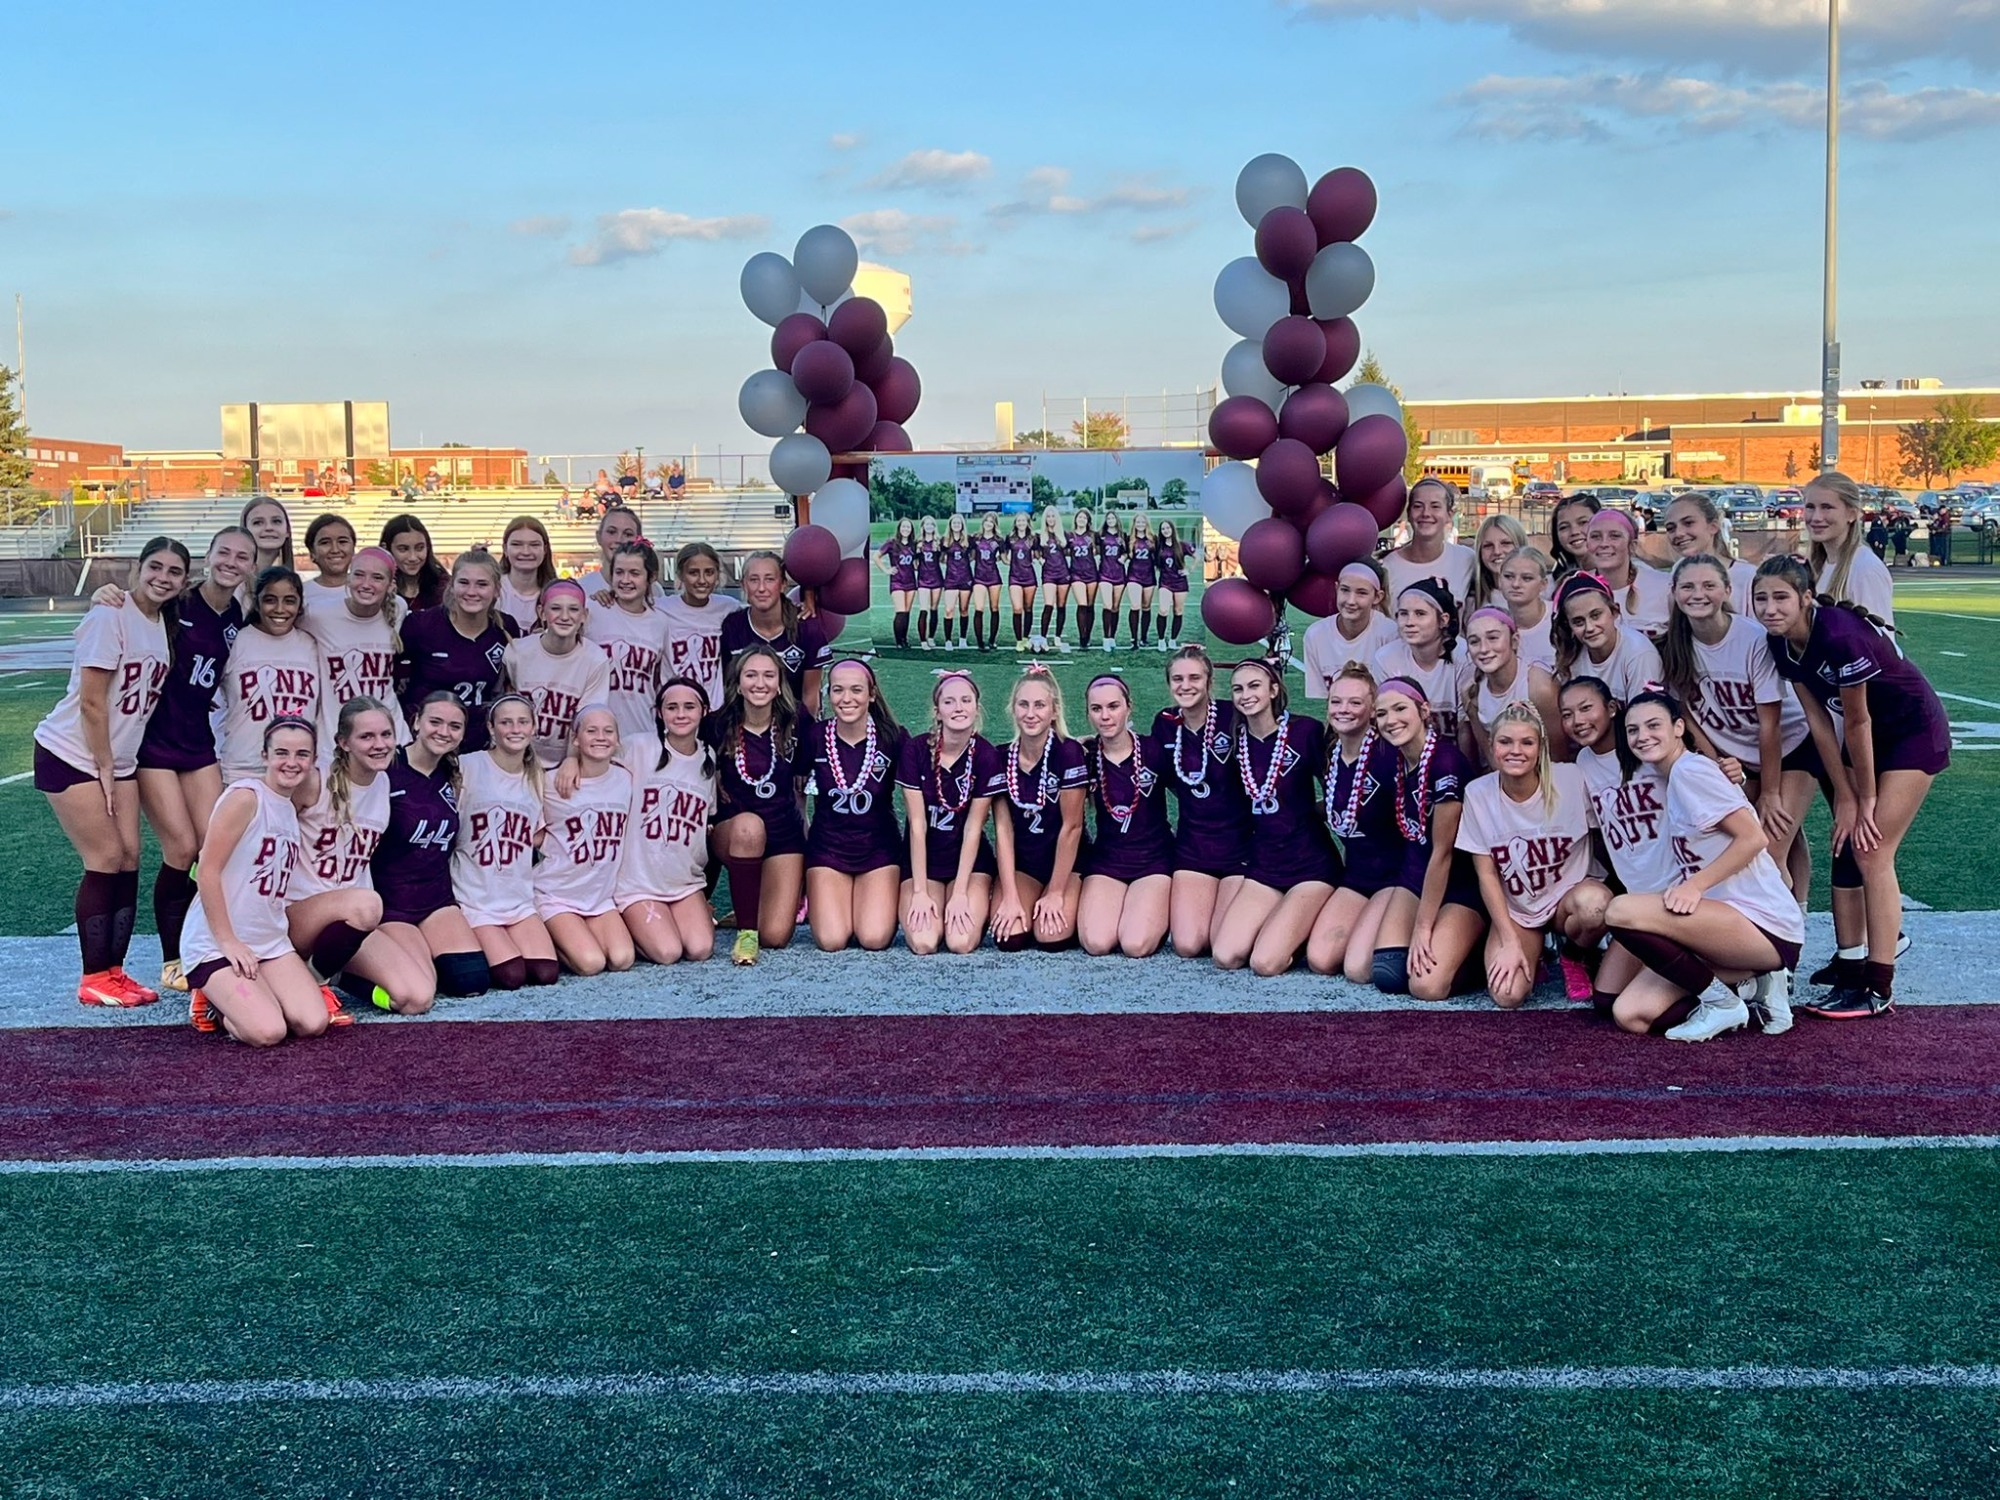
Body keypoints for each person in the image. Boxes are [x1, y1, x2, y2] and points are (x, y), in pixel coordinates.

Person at [1757, 555, 1947, 1018]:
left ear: (1805, 598)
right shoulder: (1780, 643)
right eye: (1760, 598)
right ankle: (1850, 964)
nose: (1769, 607)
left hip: (1910, 734)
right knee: (1844, 843)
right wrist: (1841, 793)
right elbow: (1821, 723)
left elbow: (1858, 721)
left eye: (1780, 597)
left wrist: (1864, 799)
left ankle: (1879, 984)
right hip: (1866, 739)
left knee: (1872, 848)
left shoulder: (1839, 634)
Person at [1601, 690, 1807, 1042]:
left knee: (1620, 909)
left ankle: (1722, 1003)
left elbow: (1753, 838)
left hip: (1762, 924)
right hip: (1718, 924)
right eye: (1632, 730)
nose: (1642, 736)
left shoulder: (1690, 772)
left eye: (1653, 725)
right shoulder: (1679, 774)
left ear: (1679, 727)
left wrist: (1694, 885)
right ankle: (1750, 988)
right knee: (1628, 1013)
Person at [35, 536, 186, 1006]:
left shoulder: (162, 621)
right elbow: (93, 701)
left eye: (174, 571)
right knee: (104, 858)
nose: (163, 577)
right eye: (155, 567)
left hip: (120, 760)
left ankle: (114, 972)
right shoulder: (109, 614)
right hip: (73, 753)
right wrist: (103, 764)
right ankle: (93, 976)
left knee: (129, 859)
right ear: (137, 569)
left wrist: (116, 764)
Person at [1659, 552, 1815, 930]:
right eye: (1689, 586)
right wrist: (1714, 762)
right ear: (1674, 592)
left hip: (1790, 747)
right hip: (1736, 754)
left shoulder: (1752, 638)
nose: (1699, 594)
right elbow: (1689, 713)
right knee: (1778, 840)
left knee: (1770, 845)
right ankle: (1790, 920)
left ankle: (1783, 941)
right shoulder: (1673, 644)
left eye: (1709, 585)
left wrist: (1771, 791)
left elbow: (1770, 726)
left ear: (1727, 590)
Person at [132, 527, 255, 994]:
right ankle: (172, 958)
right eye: (223, 551)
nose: (230, 561)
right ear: (208, 556)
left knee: (213, 850)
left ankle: (208, 942)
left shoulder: (238, 615)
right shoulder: (177, 603)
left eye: (241, 557)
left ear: (249, 566)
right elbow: (135, 603)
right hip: (154, 743)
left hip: (197, 741)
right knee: (181, 850)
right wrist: (108, 594)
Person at [178, 716, 321, 1046]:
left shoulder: (287, 807)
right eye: (282, 752)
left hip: (269, 941)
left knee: (312, 1022)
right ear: (264, 756)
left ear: (313, 760)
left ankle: (250, 997)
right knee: (268, 1031)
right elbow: (207, 870)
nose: (292, 762)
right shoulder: (246, 797)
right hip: (217, 942)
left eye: (302, 754)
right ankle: (214, 1001)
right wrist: (228, 941)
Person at [1454, 701, 1606, 1009]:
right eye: (1505, 742)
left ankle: (1573, 953)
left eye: (1527, 742)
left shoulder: (1572, 779)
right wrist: (1510, 940)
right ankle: (1534, 951)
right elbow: (1486, 874)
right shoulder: (1478, 793)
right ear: (1492, 746)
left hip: (1568, 900)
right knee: (1507, 994)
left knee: (1596, 907)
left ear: (1540, 747)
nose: (1516, 751)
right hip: (1518, 910)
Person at [348, 692, 489, 1011]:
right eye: (435, 722)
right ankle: (345, 977)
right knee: (420, 993)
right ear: (415, 722)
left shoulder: (452, 773)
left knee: (471, 982)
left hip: (437, 901)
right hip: (393, 904)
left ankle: (415, 955)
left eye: (454, 726)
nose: (444, 731)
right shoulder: (385, 767)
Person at [1210, 658, 1340, 976]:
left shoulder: (1305, 730)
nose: (1245, 695)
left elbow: (1337, 790)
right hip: (1265, 866)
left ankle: (1303, 927)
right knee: (1226, 955)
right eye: (1237, 689)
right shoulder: (1234, 741)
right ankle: (1287, 921)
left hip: (1310, 863)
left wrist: (1306, 815)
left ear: (1273, 689)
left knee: (1265, 963)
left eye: (1254, 686)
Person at [1558, 676, 1676, 1018]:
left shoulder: (1646, 748)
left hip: (1680, 890)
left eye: (1586, 708)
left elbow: (1697, 774)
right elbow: (1600, 834)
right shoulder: (1582, 763)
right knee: (1606, 1001)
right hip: (1637, 894)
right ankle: (1578, 954)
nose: (1578, 720)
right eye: (1567, 714)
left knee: (1647, 994)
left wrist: (1733, 773)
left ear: (1612, 709)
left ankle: (1728, 988)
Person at [283, 696, 399, 1027]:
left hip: (348, 924)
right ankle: (311, 982)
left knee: (413, 996)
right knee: (368, 904)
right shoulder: (314, 781)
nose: (379, 745)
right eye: (367, 737)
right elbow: (265, 830)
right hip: (301, 912)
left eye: (386, 735)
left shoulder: (384, 782)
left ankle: (333, 976)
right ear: (343, 742)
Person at [1368, 676, 1487, 999]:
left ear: (1424, 710)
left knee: (1426, 986)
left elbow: (1443, 854)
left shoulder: (1446, 763)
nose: (1391, 720)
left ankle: (1477, 953)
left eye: (1400, 709)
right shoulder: (1392, 758)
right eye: (1381, 714)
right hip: (1414, 877)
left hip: (1459, 884)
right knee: (1388, 974)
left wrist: (1423, 926)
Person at [1305, 665, 1409, 981]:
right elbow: (1341, 805)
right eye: (1336, 702)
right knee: (1321, 960)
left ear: (1372, 709)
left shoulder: (1391, 755)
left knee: (1359, 969)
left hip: (1397, 877)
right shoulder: (1329, 753)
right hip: (1356, 877)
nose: (1344, 710)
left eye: (1355, 703)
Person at [710, 643, 811, 964]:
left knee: (776, 936)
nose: (760, 683)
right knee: (750, 827)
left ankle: (747, 912)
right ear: (737, 682)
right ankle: (745, 933)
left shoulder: (797, 721)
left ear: (780, 682)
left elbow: (805, 783)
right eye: (751, 675)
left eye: (769, 675)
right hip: (736, 833)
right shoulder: (716, 723)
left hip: (784, 836)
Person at [452, 694, 560, 990]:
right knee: (511, 976)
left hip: (517, 898)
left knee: (545, 974)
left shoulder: (537, 778)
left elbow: (537, 835)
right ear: (491, 728)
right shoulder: (468, 766)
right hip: (476, 897)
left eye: (522, 722)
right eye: (505, 722)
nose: (514, 729)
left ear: (534, 727)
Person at [803, 659, 906, 952]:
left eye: (856, 690)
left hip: (879, 852)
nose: (846, 699)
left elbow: (916, 798)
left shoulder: (893, 737)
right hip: (828, 851)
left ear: (871, 694)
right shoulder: (815, 736)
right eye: (838, 690)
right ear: (829, 694)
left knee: (873, 938)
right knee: (832, 940)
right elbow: (797, 792)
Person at [1153, 646, 1248, 959]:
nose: (1186, 685)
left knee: (1224, 945)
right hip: (1192, 848)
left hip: (1240, 848)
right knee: (1188, 944)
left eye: (1195, 677)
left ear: (1209, 681)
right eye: (1177, 678)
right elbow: (1160, 771)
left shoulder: (1235, 717)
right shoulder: (1164, 723)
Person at [617, 677, 719, 965]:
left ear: (704, 711)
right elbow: (594, 755)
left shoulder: (707, 757)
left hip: (683, 882)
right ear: (660, 713)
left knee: (699, 949)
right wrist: (573, 760)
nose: (681, 714)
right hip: (639, 882)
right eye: (672, 707)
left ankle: (672, 919)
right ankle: (624, 924)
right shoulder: (638, 747)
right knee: (668, 952)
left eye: (689, 707)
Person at [897, 670, 1000, 955]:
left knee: (961, 941)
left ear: (976, 708)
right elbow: (917, 826)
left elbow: (973, 828)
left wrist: (961, 893)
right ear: (937, 711)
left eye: (966, 700)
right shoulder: (915, 750)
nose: (958, 708)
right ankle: (921, 897)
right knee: (924, 941)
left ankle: (978, 901)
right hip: (924, 862)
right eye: (949, 702)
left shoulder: (987, 755)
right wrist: (919, 892)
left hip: (968, 864)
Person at [988, 666, 1088, 950]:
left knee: (1050, 936)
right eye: (1023, 704)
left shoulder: (1068, 752)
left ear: (1054, 711)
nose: (1031, 713)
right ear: (1013, 709)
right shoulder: (1001, 756)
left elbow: (1073, 827)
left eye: (1040, 705)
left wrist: (1055, 893)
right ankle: (1028, 899)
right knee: (1009, 937)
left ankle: (1072, 898)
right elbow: (1003, 831)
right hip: (1025, 866)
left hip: (1067, 865)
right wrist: (1008, 895)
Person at [1076, 674, 1174, 958]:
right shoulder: (1084, 756)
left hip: (1154, 860)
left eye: (1113, 706)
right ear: (1088, 713)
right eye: (1096, 709)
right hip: (1107, 860)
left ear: (1128, 707)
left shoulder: (1154, 750)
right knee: (1096, 943)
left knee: (1135, 944)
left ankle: (1149, 909)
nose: (1105, 716)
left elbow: (1194, 795)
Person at [534, 705, 634, 976]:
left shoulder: (625, 779)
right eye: (591, 731)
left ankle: (578, 934)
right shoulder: (550, 782)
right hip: (558, 894)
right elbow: (530, 831)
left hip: (599, 898)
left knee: (622, 959)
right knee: (591, 963)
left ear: (617, 739)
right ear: (575, 739)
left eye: (608, 731)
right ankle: (542, 934)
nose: (600, 737)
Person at [396, 550, 516, 754]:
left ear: (496, 590)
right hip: (427, 745)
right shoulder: (420, 625)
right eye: (463, 583)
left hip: (478, 747)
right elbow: (398, 685)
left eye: (482, 584)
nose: (471, 591)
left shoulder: (506, 629)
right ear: (451, 586)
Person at [297, 546, 408, 750]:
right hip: (336, 742)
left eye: (377, 578)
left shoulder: (398, 608)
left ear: (391, 585)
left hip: (391, 740)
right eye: (359, 575)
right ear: (348, 578)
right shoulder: (318, 614)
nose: (366, 584)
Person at [217, 566, 322, 783]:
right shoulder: (236, 641)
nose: (280, 609)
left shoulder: (311, 644)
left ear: (300, 605)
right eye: (270, 600)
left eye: (290, 600)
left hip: (297, 771)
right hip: (243, 768)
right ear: (257, 602)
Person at [502, 579, 609, 768]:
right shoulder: (517, 652)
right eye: (556, 608)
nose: (565, 616)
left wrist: (571, 760)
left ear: (584, 615)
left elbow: (586, 717)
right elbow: (503, 708)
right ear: (542, 613)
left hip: (566, 759)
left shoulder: (595, 659)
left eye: (574, 609)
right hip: (519, 757)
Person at [585, 541, 670, 769]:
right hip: (594, 732)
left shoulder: (660, 622)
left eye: (634, 573)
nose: (625, 580)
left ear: (650, 578)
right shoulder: (592, 610)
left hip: (641, 729)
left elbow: (663, 680)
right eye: (619, 572)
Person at [1370, 579, 1474, 754]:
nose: (1409, 622)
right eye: (1403, 614)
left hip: (1452, 755)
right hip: (1407, 753)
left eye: (1420, 614)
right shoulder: (1386, 658)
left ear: (1443, 620)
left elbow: (1466, 727)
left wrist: (1466, 775)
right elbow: (1387, 723)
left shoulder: (1464, 656)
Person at [720, 551, 830, 714]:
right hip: (746, 727)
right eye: (754, 580)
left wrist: (802, 735)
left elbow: (810, 696)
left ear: (783, 584)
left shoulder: (807, 628)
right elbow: (728, 688)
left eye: (770, 579)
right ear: (743, 585)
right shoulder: (732, 626)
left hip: (794, 726)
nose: (761, 588)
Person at [1462, 606, 1567, 767]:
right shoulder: (1471, 692)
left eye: (1493, 638)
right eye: (1474, 641)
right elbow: (1492, 758)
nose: (1483, 649)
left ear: (1515, 640)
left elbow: (1559, 757)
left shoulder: (1539, 687)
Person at [1551, 572, 1663, 704]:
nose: (1590, 628)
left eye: (1596, 615)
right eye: (1578, 622)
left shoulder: (1639, 653)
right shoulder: (1572, 654)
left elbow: (1644, 714)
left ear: (1614, 611)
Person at [1803, 471, 1896, 622]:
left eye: (1827, 507)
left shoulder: (1866, 569)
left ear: (1851, 514)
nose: (1816, 517)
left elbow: (1879, 641)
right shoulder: (1817, 567)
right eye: (1810, 507)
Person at [1301, 559, 1397, 699]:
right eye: (1345, 590)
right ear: (1336, 589)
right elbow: (1321, 699)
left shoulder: (1390, 633)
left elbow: (1394, 698)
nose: (1351, 601)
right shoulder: (1316, 635)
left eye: (1361, 593)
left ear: (1377, 597)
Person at [657, 541, 735, 708]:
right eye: (693, 573)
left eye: (709, 572)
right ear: (680, 575)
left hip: (714, 710)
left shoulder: (729, 607)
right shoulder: (661, 608)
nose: (702, 580)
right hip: (675, 708)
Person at [1382, 477, 1477, 604]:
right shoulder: (1387, 567)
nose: (1426, 513)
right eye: (1418, 506)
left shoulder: (1466, 559)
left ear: (1449, 515)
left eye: (1435, 506)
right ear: (1409, 514)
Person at [1662, 492, 1756, 615]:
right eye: (1671, 528)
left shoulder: (1748, 576)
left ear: (1713, 526)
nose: (1678, 533)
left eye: (1688, 523)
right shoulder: (1677, 571)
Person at [1582, 509, 1670, 637]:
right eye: (1596, 536)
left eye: (1615, 536)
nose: (1604, 543)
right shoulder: (1576, 588)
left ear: (1632, 546)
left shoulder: (1664, 587)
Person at [1495, 545, 1558, 671]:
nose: (1516, 584)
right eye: (1508, 576)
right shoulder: (1492, 622)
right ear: (1499, 580)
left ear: (1543, 584)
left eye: (1527, 578)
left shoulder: (1560, 617)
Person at [498, 517, 557, 634]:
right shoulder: (493, 590)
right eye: (517, 544)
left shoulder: (558, 592)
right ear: (505, 549)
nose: (526, 552)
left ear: (545, 549)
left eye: (534, 545)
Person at [379, 513, 448, 613]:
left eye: (419, 548)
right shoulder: (377, 587)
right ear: (386, 548)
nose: (413, 557)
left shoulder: (444, 587)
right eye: (403, 549)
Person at [572, 505, 644, 598]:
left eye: (628, 534)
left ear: (639, 540)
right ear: (599, 537)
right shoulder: (580, 589)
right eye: (611, 532)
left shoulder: (653, 590)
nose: (619, 539)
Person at [1471, 514, 1531, 609]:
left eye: (1506, 543)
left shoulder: (1544, 593)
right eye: (1488, 545)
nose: (1497, 551)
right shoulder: (1472, 602)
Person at [302, 512, 357, 611]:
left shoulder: (369, 590)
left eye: (342, 541)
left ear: (353, 549)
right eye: (325, 543)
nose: (335, 550)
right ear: (312, 552)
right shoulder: (300, 594)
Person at [1035, 508, 1072, 653]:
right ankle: (1043, 637)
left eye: (1053, 516)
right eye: (1048, 516)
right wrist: (1040, 559)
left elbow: (1071, 550)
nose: (1050, 518)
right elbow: (1035, 550)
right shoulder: (1040, 535)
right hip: (1048, 574)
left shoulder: (1065, 535)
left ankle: (1057, 635)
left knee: (1061, 606)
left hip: (1063, 573)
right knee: (1049, 605)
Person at [881, 518, 921, 650]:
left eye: (908, 527)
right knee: (900, 611)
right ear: (899, 528)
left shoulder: (913, 545)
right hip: (897, 581)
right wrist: (886, 569)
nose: (906, 529)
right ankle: (898, 641)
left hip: (910, 581)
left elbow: (915, 563)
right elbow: (876, 556)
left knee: (907, 612)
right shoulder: (892, 543)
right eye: (903, 527)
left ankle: (904, 639)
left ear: (911, 530)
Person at [1154, 520, 1194, 650]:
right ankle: (1161, 640)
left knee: (1178, 611)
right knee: (1163, 609)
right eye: (1163, 528)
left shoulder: (1182, 545)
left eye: (1167, 528)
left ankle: (1172, 639)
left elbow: (1197, 556)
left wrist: (1190, 569)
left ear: (1172, 529)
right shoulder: (1159, 546)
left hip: (1180, 582)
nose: (1166, 530)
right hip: (1165, 582)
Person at [1004, 512, 1040, 651]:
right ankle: (1018, 640)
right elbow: (1004, 553)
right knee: (1017, 608)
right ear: (1015, 523)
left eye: (1023, 521)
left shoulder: (1033, 538)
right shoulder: (1010, 538)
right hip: (1015, 577)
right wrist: (1007, 561)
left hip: (1029, 577)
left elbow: (1037, 554)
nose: (1021, 523)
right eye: (1018, 521)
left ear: (1027, 522)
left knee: (1028, 608)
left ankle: (1025, 637)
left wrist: (1042, 560)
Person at [1066, 508, 1101, 651]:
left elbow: (1099, 550)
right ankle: (1082, 638)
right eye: (1079, 517)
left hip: (1091, 573)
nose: (1081, 520)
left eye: (1084, 518)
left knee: (1090, 606)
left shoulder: (1093, 535)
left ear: (1088, 521)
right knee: (1082, 605)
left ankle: (1088, 635)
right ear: (1075, 519)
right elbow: (1064, 550)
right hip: (1076, 574)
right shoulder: (1069, 535)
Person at [1548, 492, 1602, 583]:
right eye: (1564, 527)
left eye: (1583, 522)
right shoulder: (1551, 585)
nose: (1574, 532)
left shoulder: (1628, 576)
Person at [970, 512, 1005, 651]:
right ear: (983, 522)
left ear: (995, 524)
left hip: (994, 577)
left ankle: (992, 640)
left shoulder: (999, 540)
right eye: (986, 521)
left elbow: (1004, 558)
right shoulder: (976, 538)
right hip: (979, 577)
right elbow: (971, 556)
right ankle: (980, 642)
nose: (988, 524)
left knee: (994, 608)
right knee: (979, 608)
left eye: (992, 522)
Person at [1095, 512, 1128, 653]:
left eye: (1113, 518)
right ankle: (1106, 638)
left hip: (1119, 574)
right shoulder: (1100, 535)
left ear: (1117, 520)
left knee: (1115, 607)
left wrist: (1124, 557)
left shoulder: (1123, 536)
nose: (1110, 520)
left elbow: (1128, 552)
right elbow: (1095, 550)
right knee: (1107, 605)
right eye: (1108, 518)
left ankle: (1112, 636)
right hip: (1105, 574)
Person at [940, 513, 974, 651]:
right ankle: (948, 640)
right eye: (954, 523)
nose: (956, 525)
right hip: (951, 579)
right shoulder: (945, 540)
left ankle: (962, 639)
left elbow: (973, 556)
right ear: (950, 525)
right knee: (949, 610)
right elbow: (941, 558)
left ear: (962, 525)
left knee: (964, 610)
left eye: (958, 523)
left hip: (966, 578)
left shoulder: (968, 540)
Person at [1125, 513, 1159, 650]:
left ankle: (1144, 637)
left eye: (1142, 522)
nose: (1140, 524)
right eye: (1137, 522)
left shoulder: (1153, 539)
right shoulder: (1129, 539)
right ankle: (1134, 638)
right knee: (1134, 606)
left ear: (1146, 523)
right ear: (1134, 523)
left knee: (1146, 607)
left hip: (1149, 576)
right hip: (1134, 576)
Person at [240, 496, 295, 577]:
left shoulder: (297, 585)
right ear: (245, 531)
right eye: (258, 522)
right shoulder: (233, 583)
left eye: (276, 521)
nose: (269, 528)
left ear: (287, 531)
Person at [913, 517, 946, 651]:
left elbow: (944, 558)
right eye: (927, 524)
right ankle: (923, 641)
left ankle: (931, 637)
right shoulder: (918, 543)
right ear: (923, 526)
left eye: (932, 524)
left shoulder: (939, 542)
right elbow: (914, 562)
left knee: (934, 609)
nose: (929, 526)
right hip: (923, 579)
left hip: (937, 578)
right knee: (923, 609)